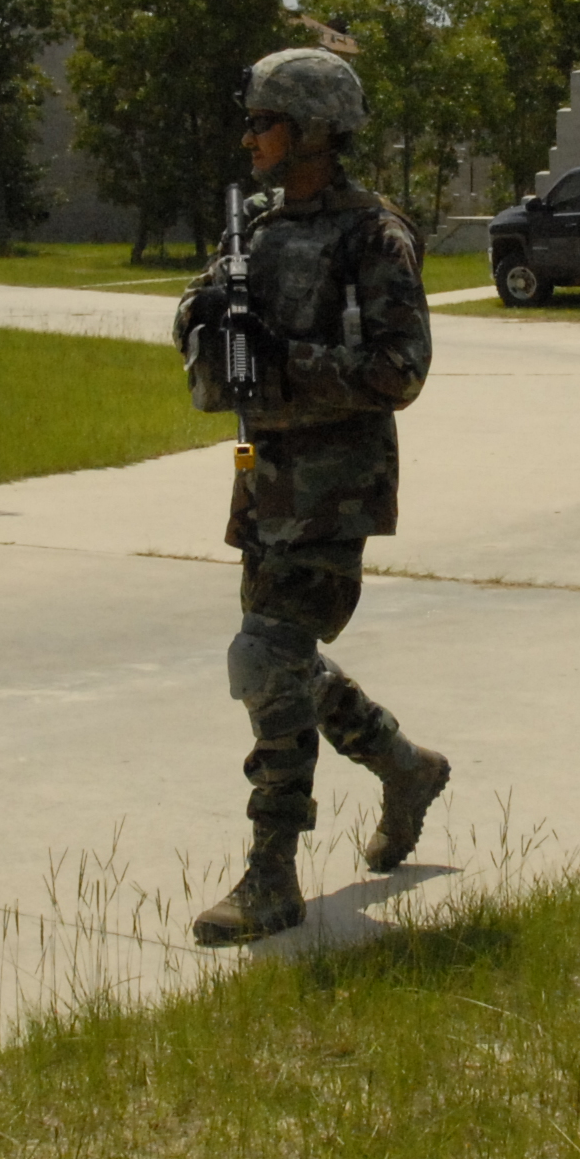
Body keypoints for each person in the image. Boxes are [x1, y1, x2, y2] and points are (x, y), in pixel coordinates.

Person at [172, 47, 452, 947]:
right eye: (251, 121)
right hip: (265, 479)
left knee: (267, 661)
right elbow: (202, 308)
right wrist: (206, 323)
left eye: (264, 121)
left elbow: (399, 371)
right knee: (283, 664)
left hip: (335, 488)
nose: (249, 137)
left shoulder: (375, 236)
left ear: (314, 131)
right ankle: (403, 764)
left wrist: (287, 365)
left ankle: (272, 875)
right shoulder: (253, 226)